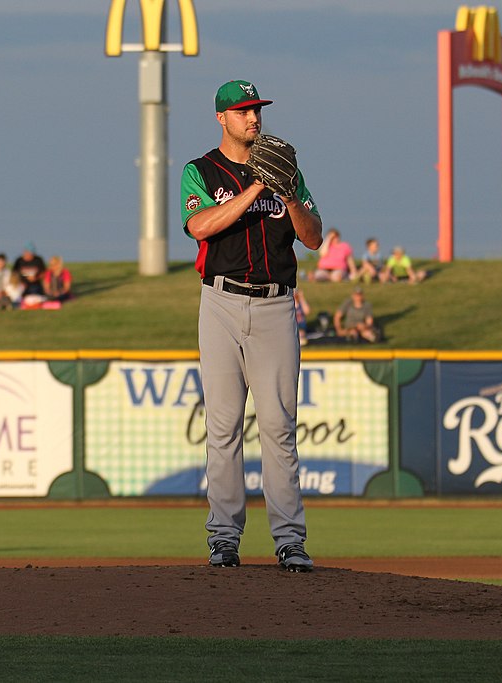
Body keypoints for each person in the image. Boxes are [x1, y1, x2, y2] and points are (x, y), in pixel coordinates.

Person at [180, 79, 322, 573]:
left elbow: (314, 237)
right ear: (222, 118)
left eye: (256, 110)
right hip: (220, 302)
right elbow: (200, 226)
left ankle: (289, 540)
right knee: (222, 428)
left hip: (275, 305)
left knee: (280, 428)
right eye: (242, 111)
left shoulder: (287, 171)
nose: (253, 119)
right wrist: (258, 185)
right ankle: (224, 539)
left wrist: (291, 196)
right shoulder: (200, 171)